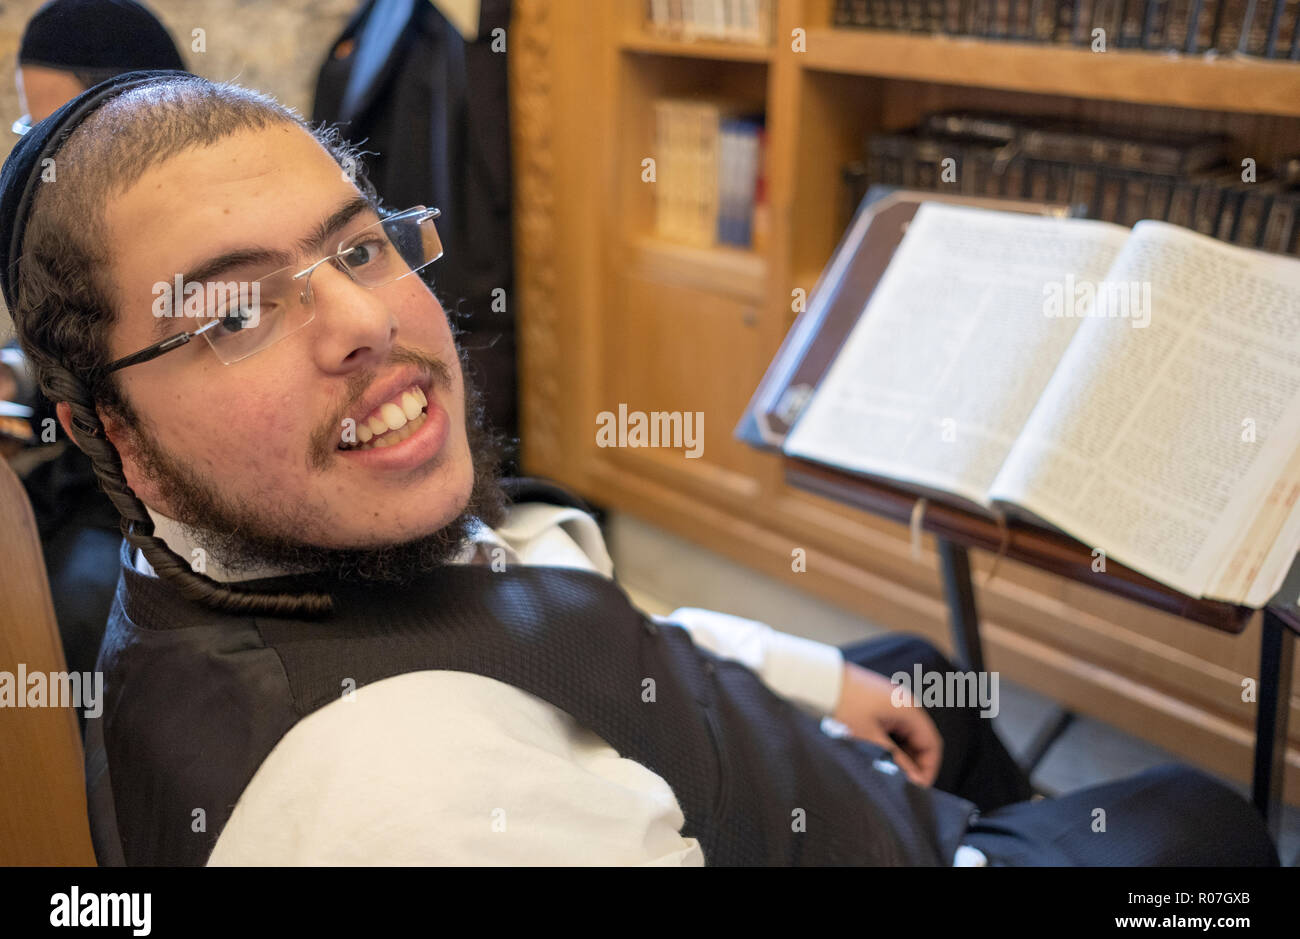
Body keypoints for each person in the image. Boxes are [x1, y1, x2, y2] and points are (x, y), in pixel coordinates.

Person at [0, 71, 1279, 866]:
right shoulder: (405, 806)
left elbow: (545, 600)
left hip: (763, 755)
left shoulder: (262, 531)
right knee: (1187, 811)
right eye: (233, 314)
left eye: (357, 248)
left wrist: (800, 673)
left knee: (910, 669)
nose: (363, 324)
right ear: (122, 439)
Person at [1, 0, 187, 714]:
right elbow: (53, 342)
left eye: (41, 123)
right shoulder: (79, 214)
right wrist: (16, 376)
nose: (31, 148)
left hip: (151, 508)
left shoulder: (188, 225)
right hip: (90, 486)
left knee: (56, 625)